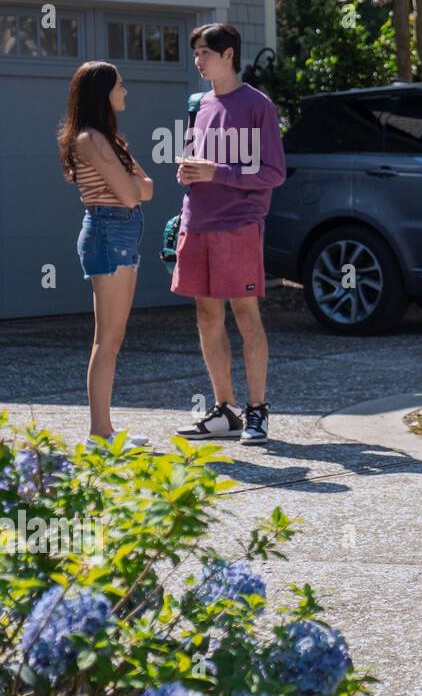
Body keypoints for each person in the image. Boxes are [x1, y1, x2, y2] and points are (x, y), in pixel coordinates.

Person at [171, 23, 286, 445]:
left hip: (238, 227)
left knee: (245, 315)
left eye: (204, 52)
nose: (197, 60)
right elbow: (193, 161)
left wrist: (215, 171)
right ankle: (225, 411)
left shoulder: (258, 106)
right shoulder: (197, 104)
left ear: (229, 55)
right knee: (206, 315)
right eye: (196, 52)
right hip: (196, 222)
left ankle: (257, 411)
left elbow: (274, 173)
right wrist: (187, 172)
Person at [59, 62, 154, 448]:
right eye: (120, 85)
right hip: (108, 231)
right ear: (103, 93)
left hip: (122, 231)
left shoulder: (110, 139)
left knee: (114, 337)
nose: (125, 91)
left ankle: (105, 431)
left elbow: (149, 187)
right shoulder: (89, 139)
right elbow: (134, 193)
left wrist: (134, 186)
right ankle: (100, 434)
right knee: (107, 340)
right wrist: (133, 186)